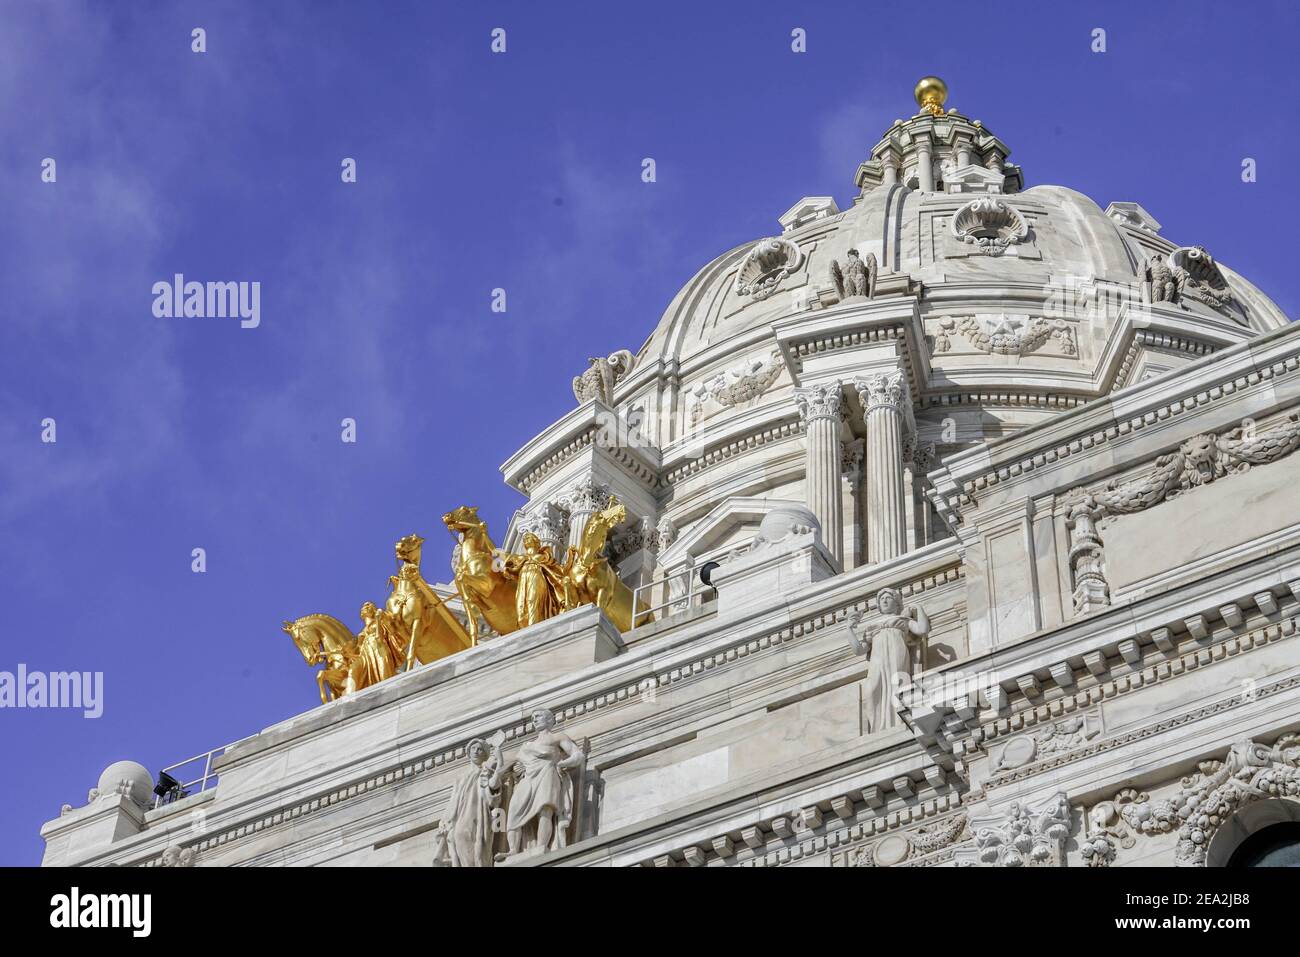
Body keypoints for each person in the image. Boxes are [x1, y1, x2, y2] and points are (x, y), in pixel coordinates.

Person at [848, 588, 930, 734]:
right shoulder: (872, 628)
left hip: (896, 653)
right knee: (872, 689)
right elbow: (859, 650)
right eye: (881, 599)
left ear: (897, 603)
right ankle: (878, 726)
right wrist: (849, 629)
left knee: (897, 683)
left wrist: (918, 608)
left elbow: (923, 629)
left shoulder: (903, 621)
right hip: (877, 660)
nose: (884, 601)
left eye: (888, 598)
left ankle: (899, 720)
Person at [505, 707, 584, 856]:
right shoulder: (526, 746)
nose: (534, 720)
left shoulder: (557, 738)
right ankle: (513, 850)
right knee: (514, 811)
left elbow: (578, 755)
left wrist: (562, 764)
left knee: (545, 810)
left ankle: (541, 847)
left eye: (538, 716)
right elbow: (514, 766)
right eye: (533, 718)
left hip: (548, 774)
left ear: (549, 719)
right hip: (528, 779)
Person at [501, 532, 569, 627]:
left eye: (530, 538)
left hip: (536, 577)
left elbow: (560, 571)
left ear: (537, 543)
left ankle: (535, 628)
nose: (527, 539)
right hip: (523, 580)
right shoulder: (519, 559)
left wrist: (571, 557)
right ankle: (526, 633)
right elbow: (507, 568)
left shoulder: (544, 557)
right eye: (525, 538)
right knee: (521, 612)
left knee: (533, 603)